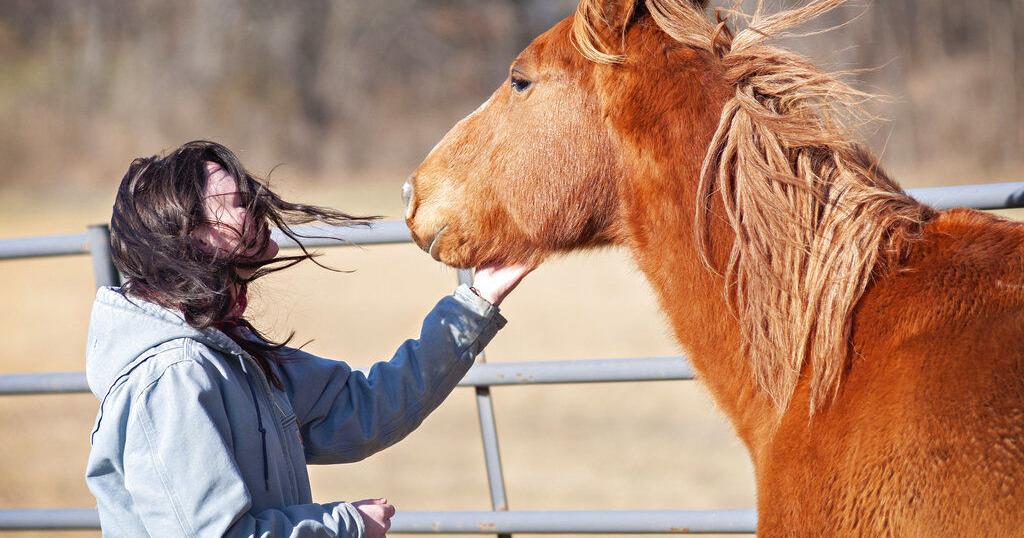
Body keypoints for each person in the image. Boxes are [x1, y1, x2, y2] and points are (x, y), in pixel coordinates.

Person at [84, 140, 533, 537]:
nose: (260, 206)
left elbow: (365, 409)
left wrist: (478, 299)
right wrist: (345, 527)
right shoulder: (174, 378)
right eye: (240, 201)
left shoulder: (227, 351)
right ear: (193, 237)